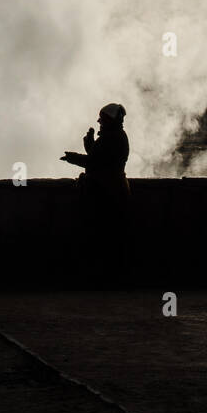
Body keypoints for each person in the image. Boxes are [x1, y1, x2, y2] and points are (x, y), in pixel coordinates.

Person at [62, 103, 130, 282]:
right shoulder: (116, 137)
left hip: (107, 193)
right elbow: (100, 159)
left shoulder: (111, 139)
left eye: (103, 120)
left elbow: (95, 163)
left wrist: (73, 158)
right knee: (107, 236)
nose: (100, 123)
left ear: (109, 120)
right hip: (112, 190)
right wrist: (91, 145)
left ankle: (103, 277)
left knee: (103, 236)